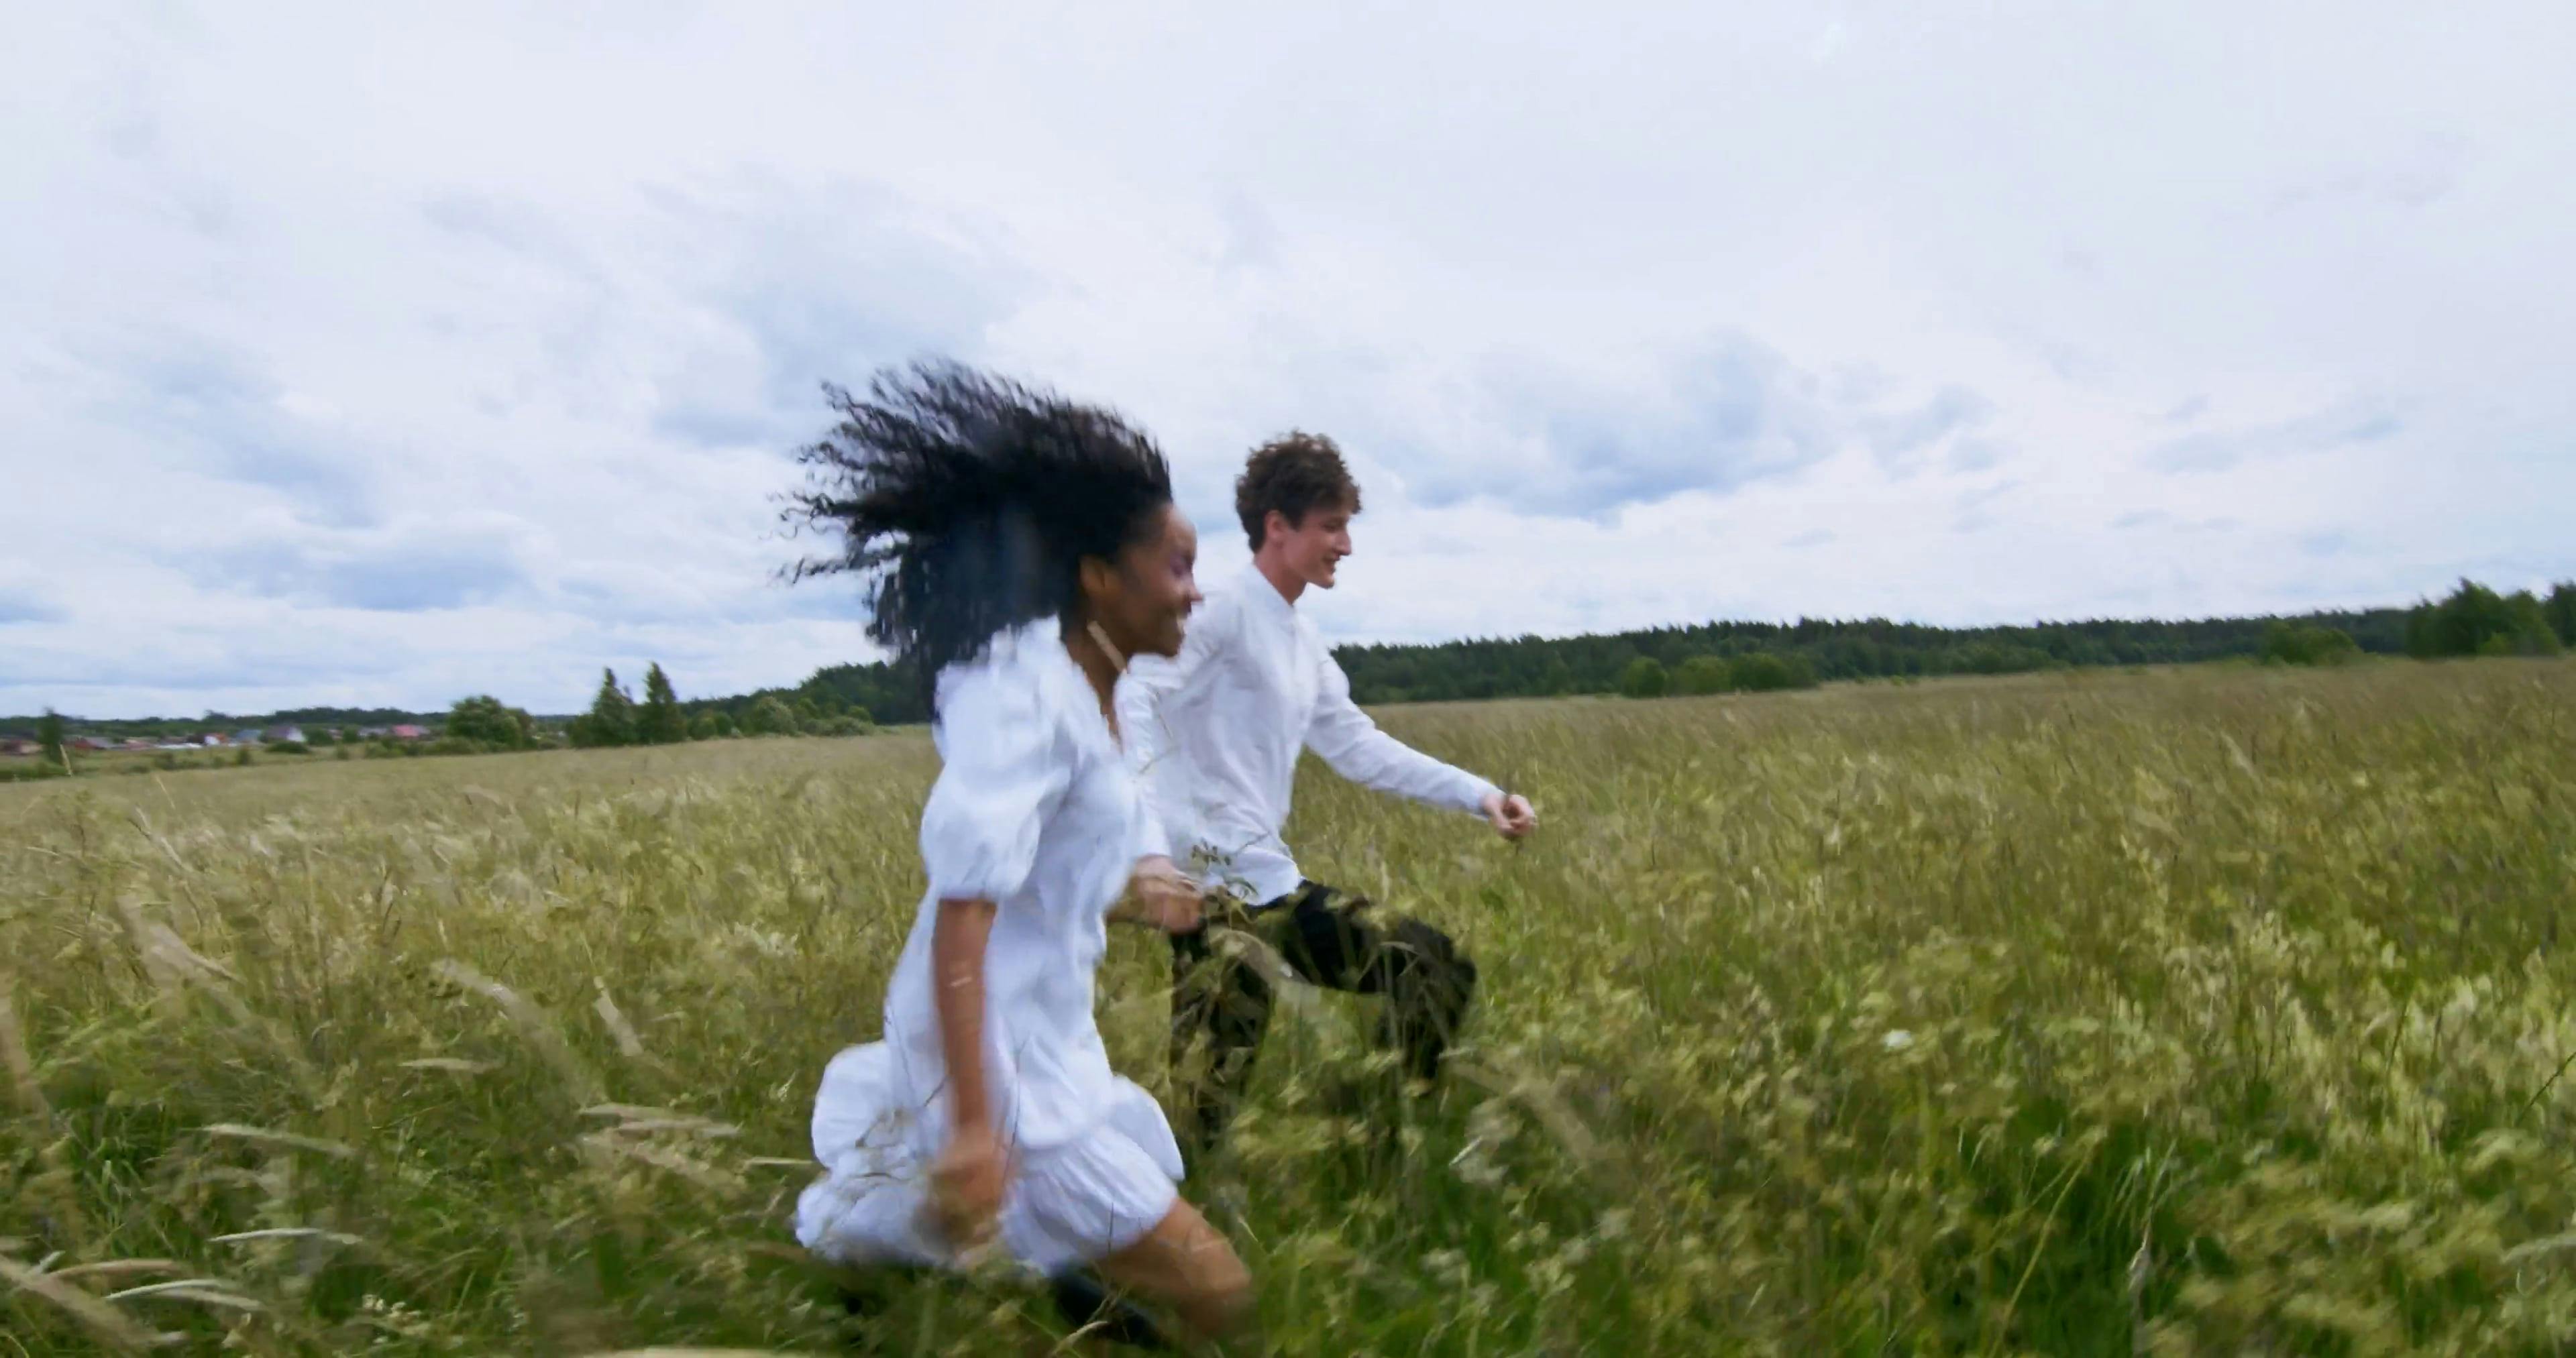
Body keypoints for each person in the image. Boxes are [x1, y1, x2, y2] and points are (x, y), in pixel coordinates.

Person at [784, 363, 1251, 1346]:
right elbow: (967, 905)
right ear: (1096, 575)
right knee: (1217, 1292)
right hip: (996, 1053)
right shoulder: (1029, 695)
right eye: (1175, 567)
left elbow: (1056, 877)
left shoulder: (1099, 697)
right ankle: (887, 1263)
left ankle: (908, 1291)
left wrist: (1144, 886)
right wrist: (969, 1127)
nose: (1194, 593)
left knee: (1093, 1271)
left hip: (1047, 1041)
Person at [1116, 431, 1538, 1156]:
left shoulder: (1299, 638)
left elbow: (1359, 747)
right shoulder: (1218, 611)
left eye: (1347, 526)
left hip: (1266, 886)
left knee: (1430, 967)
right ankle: (1153, 1221)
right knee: (1208, 1109)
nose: (1345, 545)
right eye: (1331, 526)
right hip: (1214, 894)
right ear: (1277, 526)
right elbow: (1132, 703)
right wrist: (1156, 853)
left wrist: (1481, 795)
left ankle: (1374, 1138)